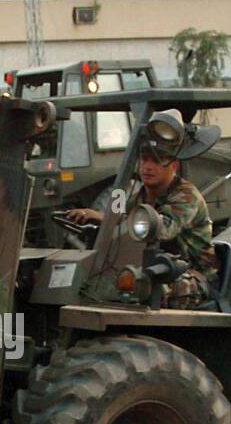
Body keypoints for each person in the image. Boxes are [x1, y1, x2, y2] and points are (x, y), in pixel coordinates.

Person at [66, 109, 219, 308]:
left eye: (156, 161)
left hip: (191, 272)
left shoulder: (185, 195)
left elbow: (161, 230)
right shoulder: (138, 193)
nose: (148, 167)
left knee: (154, 287)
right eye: (145, 160)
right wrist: (96, 217)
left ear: (173, 166)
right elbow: (122, 220)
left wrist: (115, 220)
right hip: (152, 265)